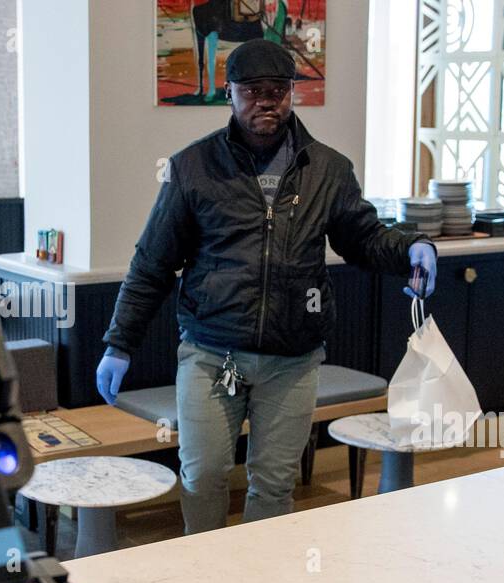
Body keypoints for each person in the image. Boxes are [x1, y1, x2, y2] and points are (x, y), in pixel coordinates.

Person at [98, 39, 437, 532]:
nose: (266, 101)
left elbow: (363, 239)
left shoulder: (328, 169)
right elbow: (153, 263)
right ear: (229, 94)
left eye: (278, 90)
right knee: (204, 473)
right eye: (253, 90)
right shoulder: (192, 167)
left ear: (290, 94)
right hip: (213, 354)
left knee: (274, 483)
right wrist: (119, 343)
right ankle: (205, 576)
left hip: (293, 359)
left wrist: (412, 248)